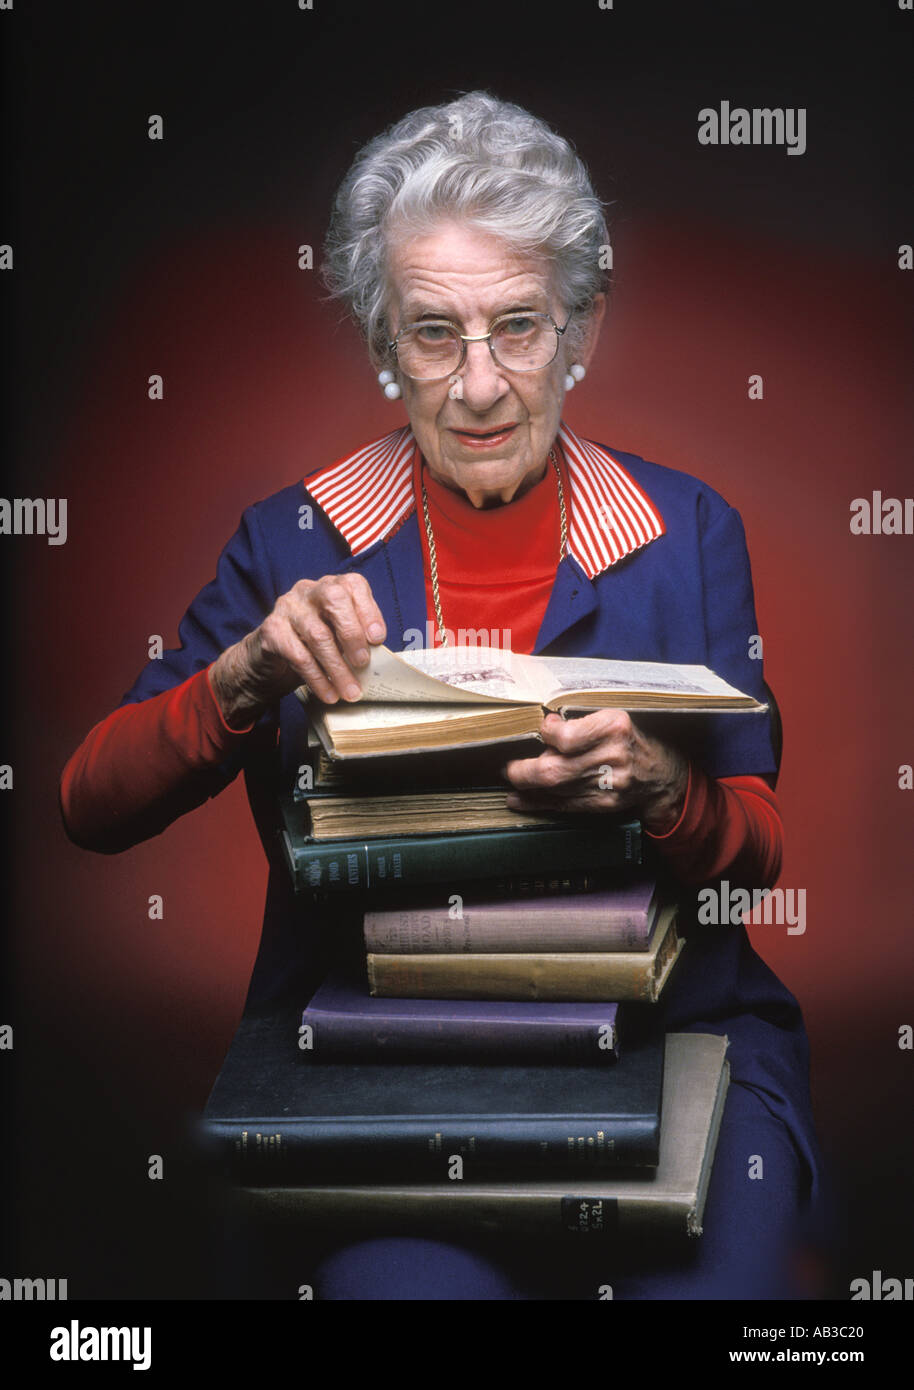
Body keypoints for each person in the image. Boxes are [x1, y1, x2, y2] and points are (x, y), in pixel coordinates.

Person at [60, 91, 822, 1299]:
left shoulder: (688, 531)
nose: (478, 384)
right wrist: (244, 671)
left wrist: (670, 791)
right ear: (380, 341)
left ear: (580, 329)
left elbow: (759, 850)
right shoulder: (292, 537)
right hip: (379, 1059)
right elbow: (88, 802)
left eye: (517, 326)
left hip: (673, 1045)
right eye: (432, 333)